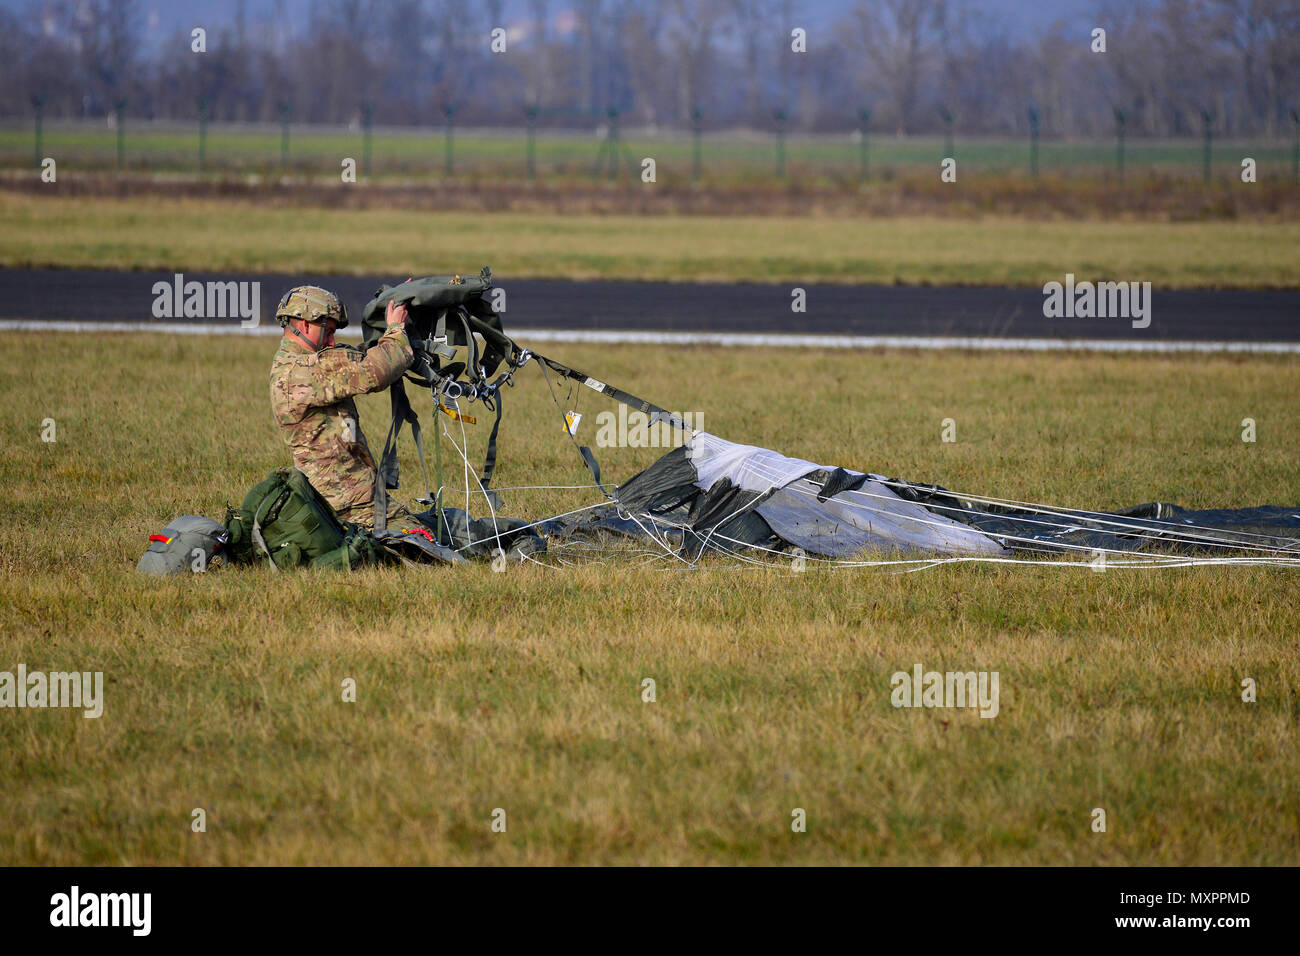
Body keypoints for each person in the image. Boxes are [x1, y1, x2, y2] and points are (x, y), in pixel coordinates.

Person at [269, 284, 413, 528]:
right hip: (348, 508)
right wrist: (396, 330)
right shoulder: (301, 371)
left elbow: (357, 358)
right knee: (432, 540)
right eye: (329, 332)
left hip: (348, 499)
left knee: (440, 529)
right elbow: (373, 372)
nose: (332, 342)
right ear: (305, 324)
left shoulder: (303, 363)